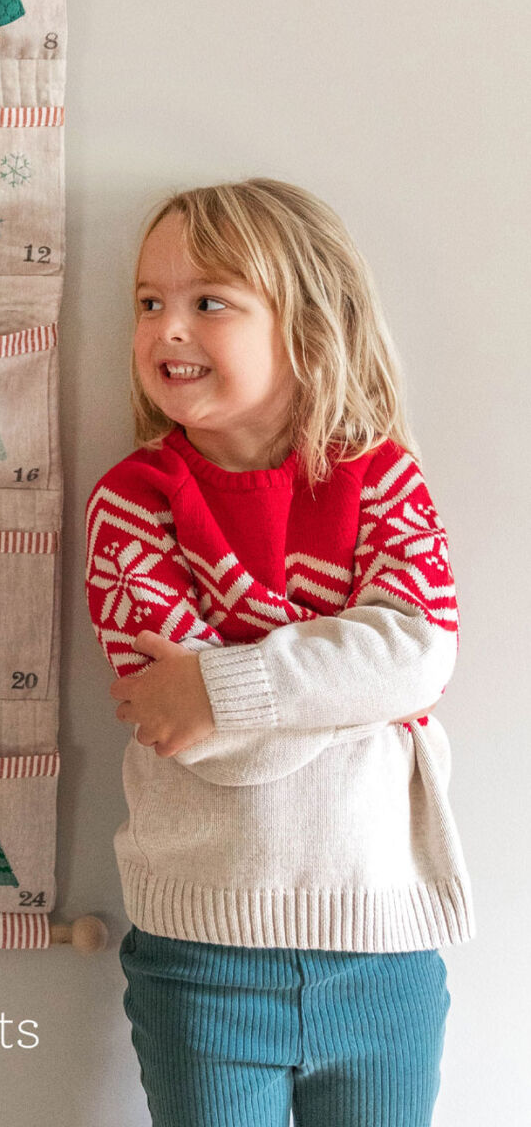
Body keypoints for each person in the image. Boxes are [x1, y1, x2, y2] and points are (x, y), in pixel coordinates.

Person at [85, 179, 472, 1127]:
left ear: (308, 323)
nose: (169, 328)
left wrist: (224, 684)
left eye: (209, 301)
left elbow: (419, 653)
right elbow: (189, 733)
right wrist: (351, 689)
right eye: (149, 302)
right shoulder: (132, 503)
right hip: (200, 963)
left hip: (384, 954)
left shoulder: (380, 478)